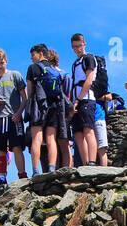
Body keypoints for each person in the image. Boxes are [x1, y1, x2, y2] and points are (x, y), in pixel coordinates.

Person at [0, 48, 28, 188]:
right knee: (0, 148)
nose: (0, 66)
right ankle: (1, 177)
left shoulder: (15, 75)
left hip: (14, 116)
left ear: (6, 61)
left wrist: (19, 113)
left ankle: (22, 175)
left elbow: (24, 97)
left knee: (17, 146)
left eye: (2, 62)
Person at [24, 44, 61, 174]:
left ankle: (35, 170)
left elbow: (29, 91)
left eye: (33, 54)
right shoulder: (54, 69)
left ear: (40, 53)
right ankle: (52, 168)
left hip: (38, 106)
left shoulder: (32, 68)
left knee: (37, 138)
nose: (31, 58)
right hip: (53, 106)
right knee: (51, 138)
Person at [68, 33, 99, 167]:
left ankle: (92, 161)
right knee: (78, 133)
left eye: (79, 46)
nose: (77, 49)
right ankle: (85, 162)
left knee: (88, 129)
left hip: (86, 99)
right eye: (74, 47)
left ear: (84, 45)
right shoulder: (75, 64)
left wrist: (78, 99)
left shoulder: (89, 59)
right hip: (77, 99)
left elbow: (89, 80)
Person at [48, 49, 73, 169]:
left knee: (62, 141)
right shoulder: (63, 75)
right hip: (57, 111)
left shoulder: (63, 75)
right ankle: (60, 170)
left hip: (59, 111)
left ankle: (64, 168)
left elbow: (68, 95)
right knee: (59, 141)